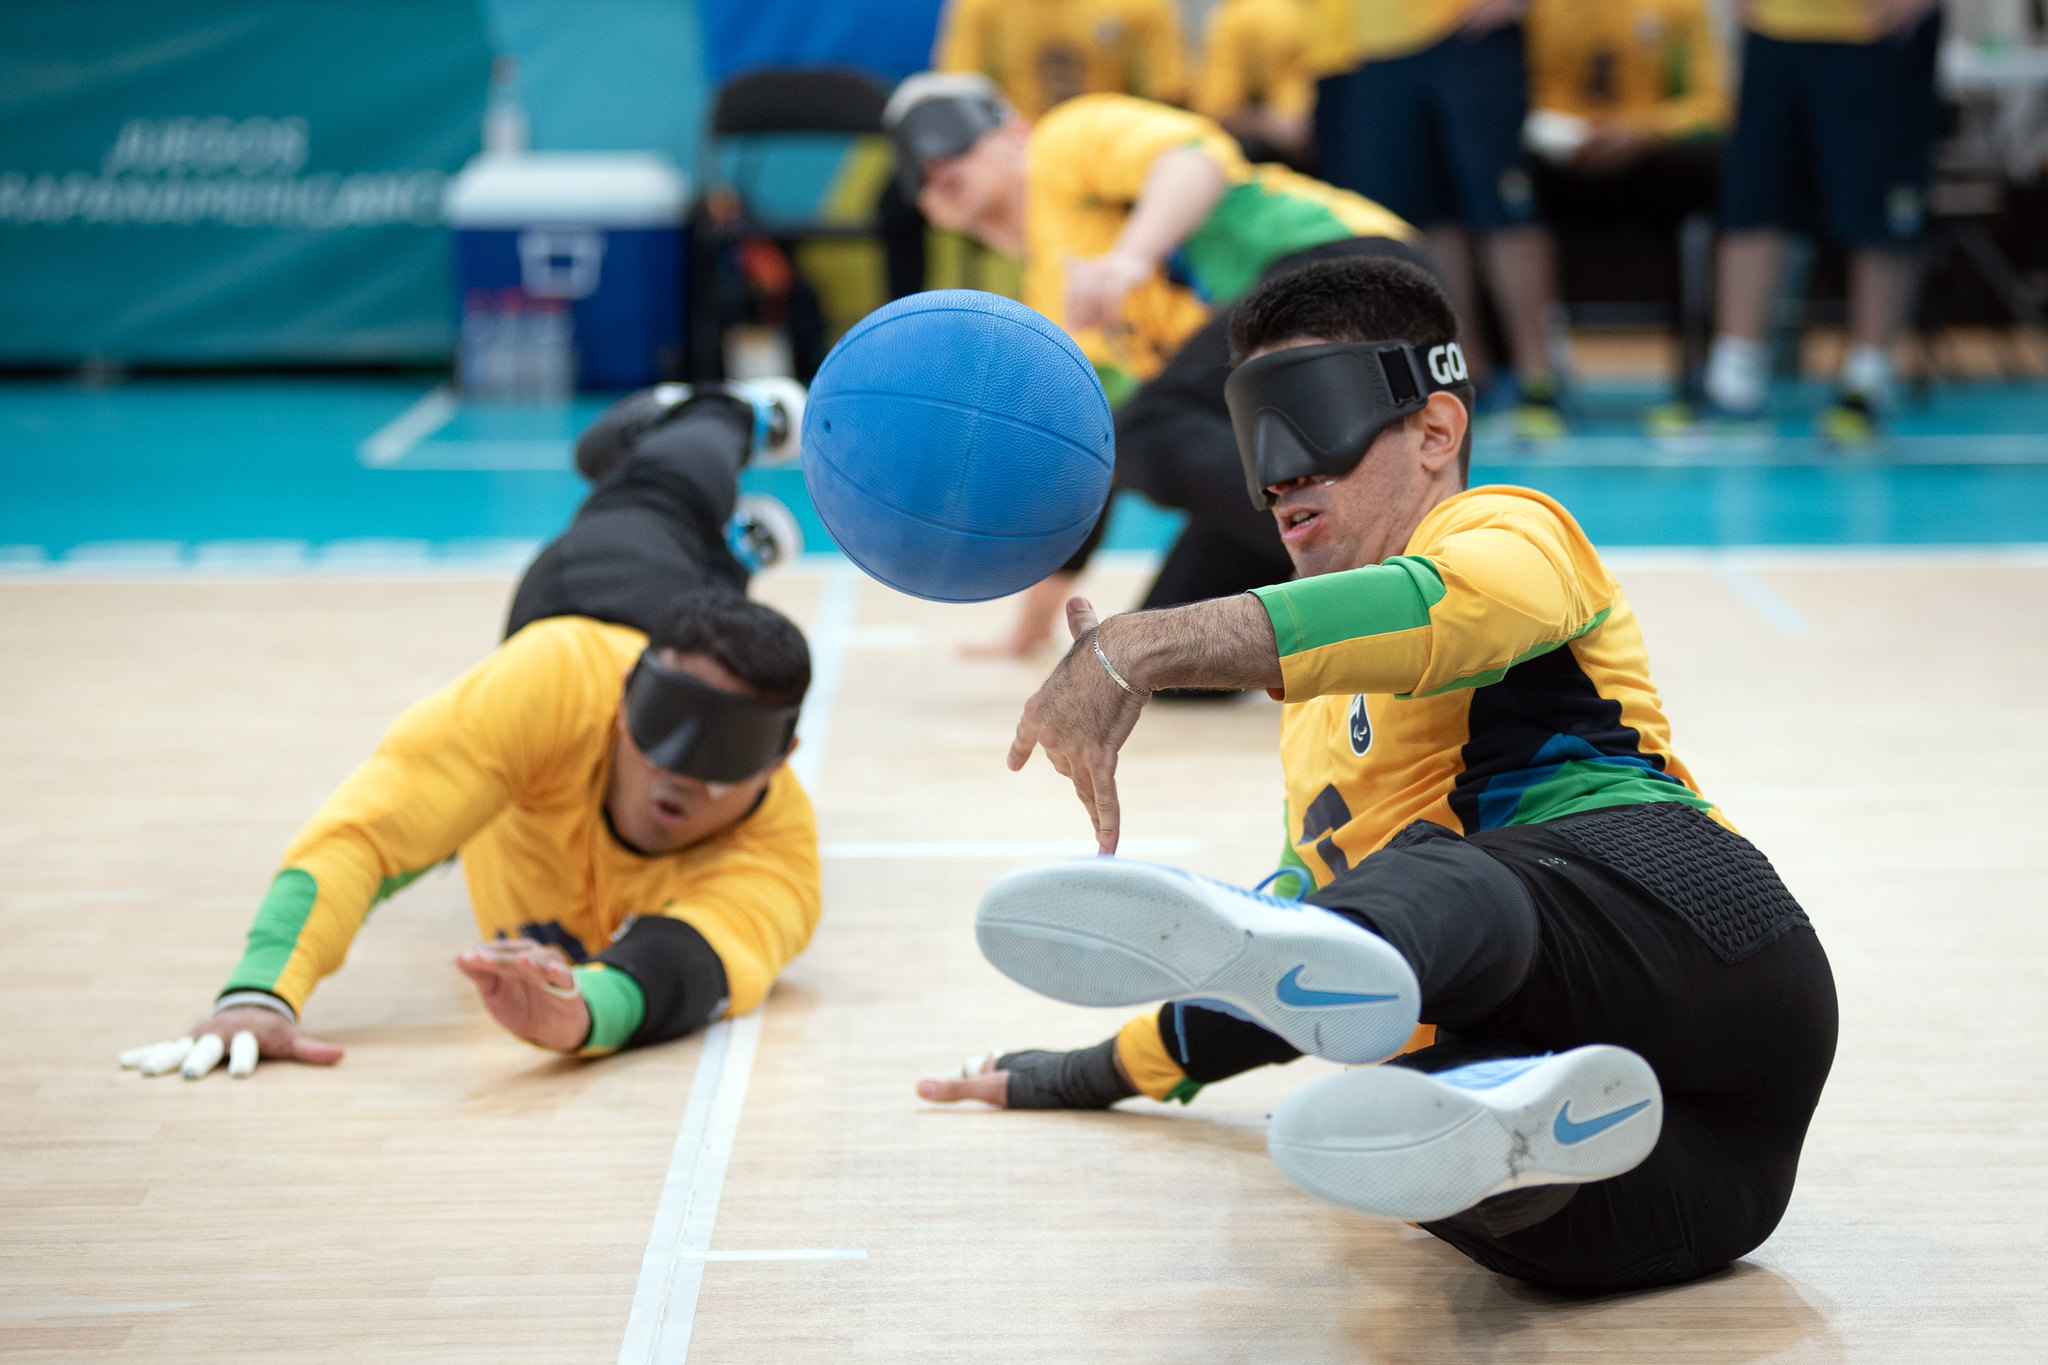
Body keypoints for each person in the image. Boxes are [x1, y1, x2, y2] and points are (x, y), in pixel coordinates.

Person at [922, 256, 1837, 1294]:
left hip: (1702, 947)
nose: (1277, 478)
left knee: (1419, 885)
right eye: (1252, 438)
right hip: (1687, 1187)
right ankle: (1505, 1117)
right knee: (1386, 1128)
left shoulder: (1509, 531)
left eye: (1306, 418)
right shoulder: (1310, 718)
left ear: (1436, 430)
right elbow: (1283, 964)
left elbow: (1442, 613)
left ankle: (1477, 1074)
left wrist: (1141, 645)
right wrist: (1089, 1071)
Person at [119, 382, 825, 1079]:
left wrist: (581, 1012)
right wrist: (259, 991)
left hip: (673, 659)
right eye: (659, 728)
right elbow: (369, 834)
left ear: (781, 759)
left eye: (728, 753)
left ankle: (731, 559)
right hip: (603, 590)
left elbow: (687, 963)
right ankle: (725, 414)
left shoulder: (782, 859)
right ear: (621, 697)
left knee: (727, 664)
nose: (679, 770)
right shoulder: (550, 683)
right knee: (653, 503)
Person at [885, 75, 1427, 666]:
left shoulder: (1063, 141)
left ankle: (1397, 572)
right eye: (918, 169)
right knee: (1176, 658)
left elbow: (1195, 159)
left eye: (953, 140)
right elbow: (1091, 458)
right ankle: (1369, 568)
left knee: (1150, 426)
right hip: (1291, 376)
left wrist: (1131, 257)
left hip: (1352, 267)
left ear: (1016, 133)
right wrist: (1032, 627)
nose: (934, 164)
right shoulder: (1049, 294)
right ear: (926, 209)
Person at [1307, 0, 1570, 437]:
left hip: (1463, 35)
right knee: (1424, 218)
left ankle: (1539, 381)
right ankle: (1462, 378)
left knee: (1505, 207)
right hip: (1359, 47)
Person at [1699, 0, 1944, 441]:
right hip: (1776, 27)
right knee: (1753, 201)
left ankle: (1869, 380)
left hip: (1874, 30)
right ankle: (1733, 379)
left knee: (1881, 213)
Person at [1521, 0, 1729, 402]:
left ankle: (1706, 365)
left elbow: (1712, 104)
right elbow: (1513, 96)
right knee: (1499, 184)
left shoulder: (1680, 8)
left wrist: (1644, 130)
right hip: (1557, 164)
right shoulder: (1539, 10)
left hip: (1654, 167)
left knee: (1713, 169)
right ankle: (1534, 366)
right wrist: (1572, 134)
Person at [934, 0, 1187, 119]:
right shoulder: (982, 7)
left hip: (1108, 147)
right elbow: (958, 94)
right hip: (1018, 154)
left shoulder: (1141, 7)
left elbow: (1167, 96)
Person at [1194, 0, 1316, 167]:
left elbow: (1217, 108)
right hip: (1302, 138)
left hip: (1264, 149)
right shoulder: (1298, 12)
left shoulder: (1236, 16)